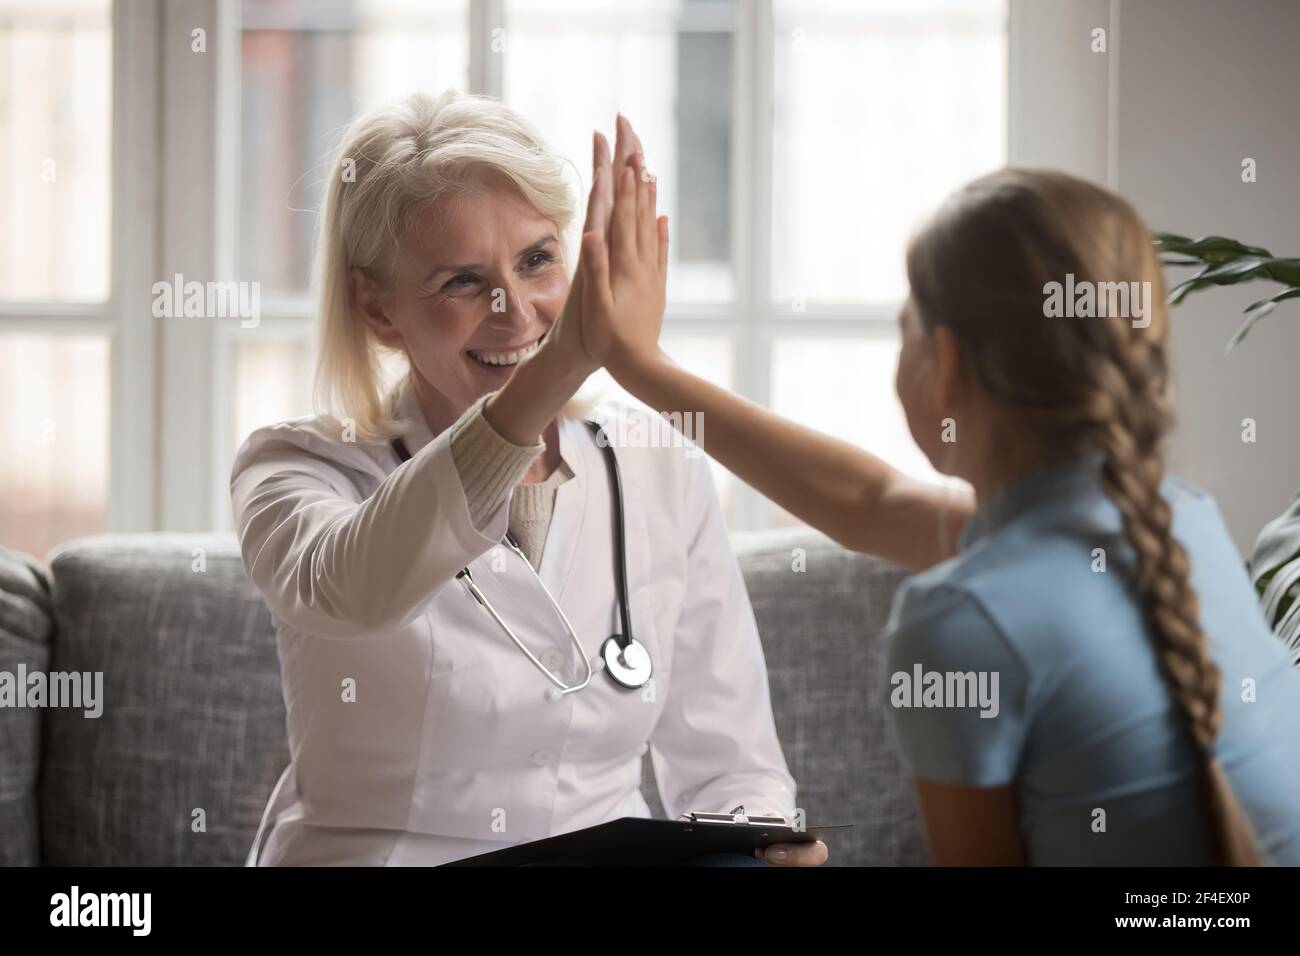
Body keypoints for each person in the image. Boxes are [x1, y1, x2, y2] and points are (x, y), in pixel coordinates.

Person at [580, 163, 1300, 865]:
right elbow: (871, 502)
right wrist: (642, 366)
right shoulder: (1173, 518)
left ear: (944, 363)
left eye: (904, 329)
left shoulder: (960, 622)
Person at [231, 90, 825, 866]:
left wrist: (762, 839)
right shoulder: (297, 468)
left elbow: (728, 759)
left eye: (538, 260)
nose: (515, 313)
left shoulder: (656, 460)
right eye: (461, 281)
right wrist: (566, 361)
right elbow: (357, 585)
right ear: (377, 308)